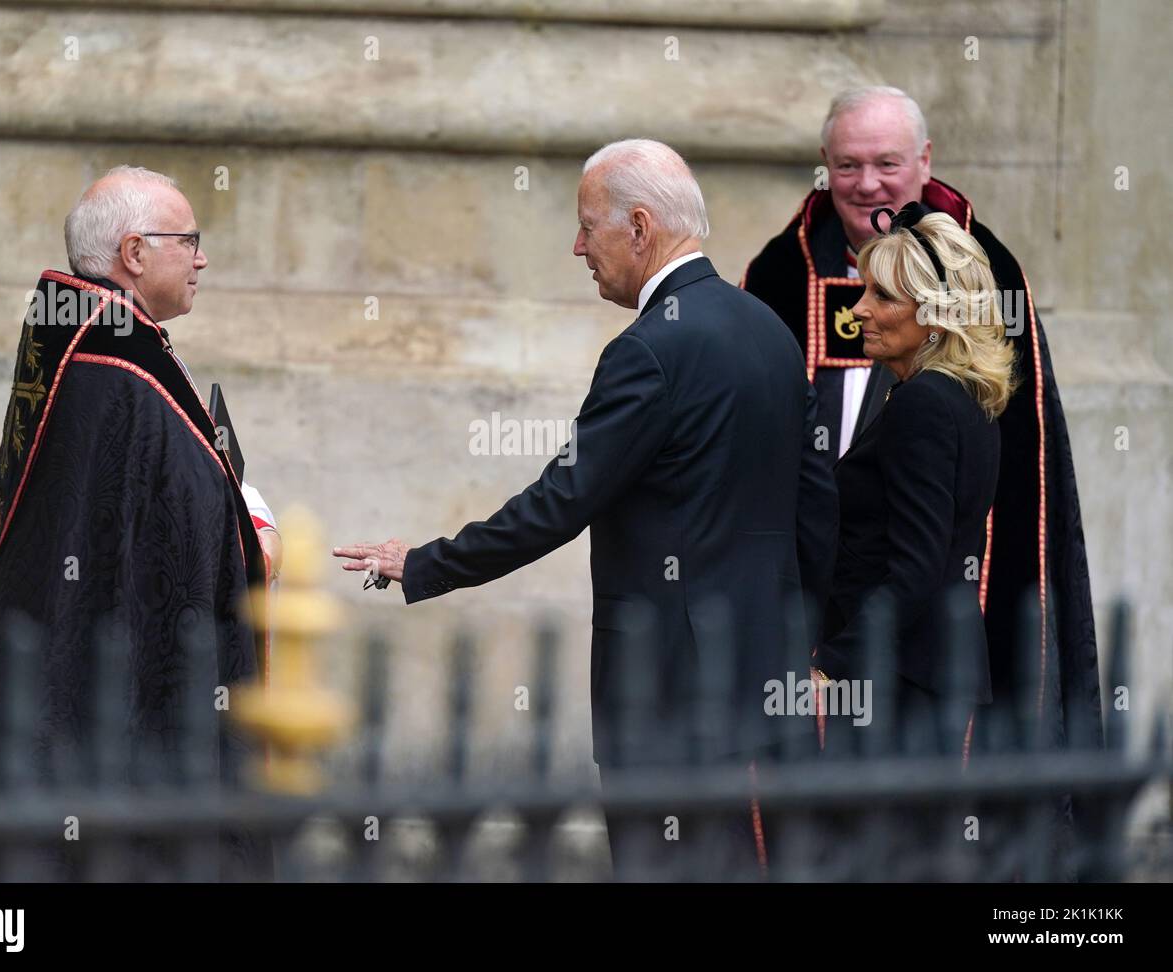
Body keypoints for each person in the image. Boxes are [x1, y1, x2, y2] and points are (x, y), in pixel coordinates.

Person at [335, 139, 838, 876]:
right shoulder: (770, 330)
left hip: (668, 687)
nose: (578, 247)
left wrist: (425, 563)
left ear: (638, 227)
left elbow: (560, 502)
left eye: (587, 227)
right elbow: (817, 509)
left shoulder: (648, 351)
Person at [741, 86, 1102, 756]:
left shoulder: (932, 389)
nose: (867, 182)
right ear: (825, 164)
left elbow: (916, 564)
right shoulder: (778, 276)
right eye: (847, 165)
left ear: (925, 161)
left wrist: (832, 664)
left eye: (886, 162)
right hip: (879, 635)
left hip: (901, 666)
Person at [0, 166, 273, 881]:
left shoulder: (93, 351)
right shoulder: (116, 375)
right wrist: (253, 528)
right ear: (134, 252)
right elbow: (183, 533)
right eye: (190, 240)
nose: (202, 257)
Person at [818, 203, 1014, 758]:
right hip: (929, 672)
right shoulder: (963, 396)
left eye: (882, 296)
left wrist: (833, 663)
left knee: (874, 843)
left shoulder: (924, 403)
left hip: (900, 681)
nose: (858, 311)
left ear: (935, 313)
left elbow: (917, 565)